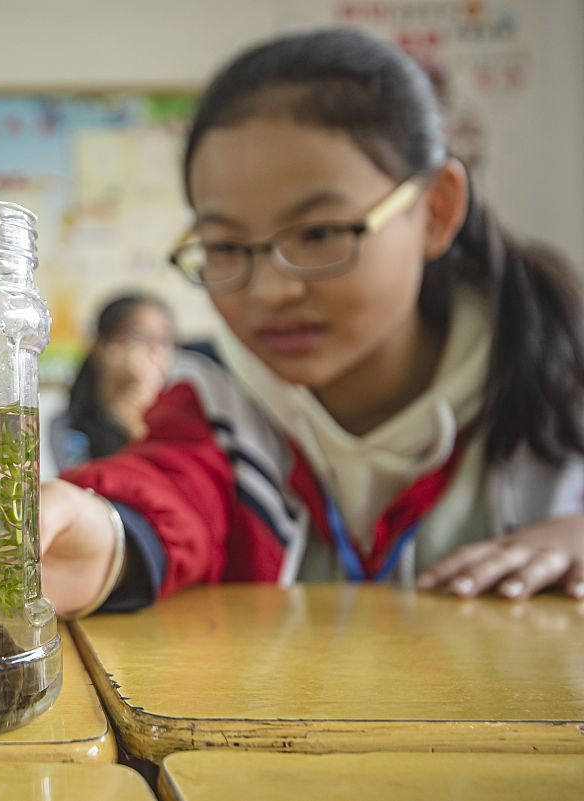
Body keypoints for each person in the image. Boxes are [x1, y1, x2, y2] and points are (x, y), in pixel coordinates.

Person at [39, 27, 584, 619]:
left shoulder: (558, 382)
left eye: (319, 234)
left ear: (436, 210)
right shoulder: (219, 402)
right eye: (226, 246)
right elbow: (169, 487)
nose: (270, 291)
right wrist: (103, 531)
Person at [50, 294, 176, 471]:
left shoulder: (183, 416)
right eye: (138, 336)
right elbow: (80, 479)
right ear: (101, 345)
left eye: (164, 340)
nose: (155, 350)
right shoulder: (67, 425)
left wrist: (137, 424)